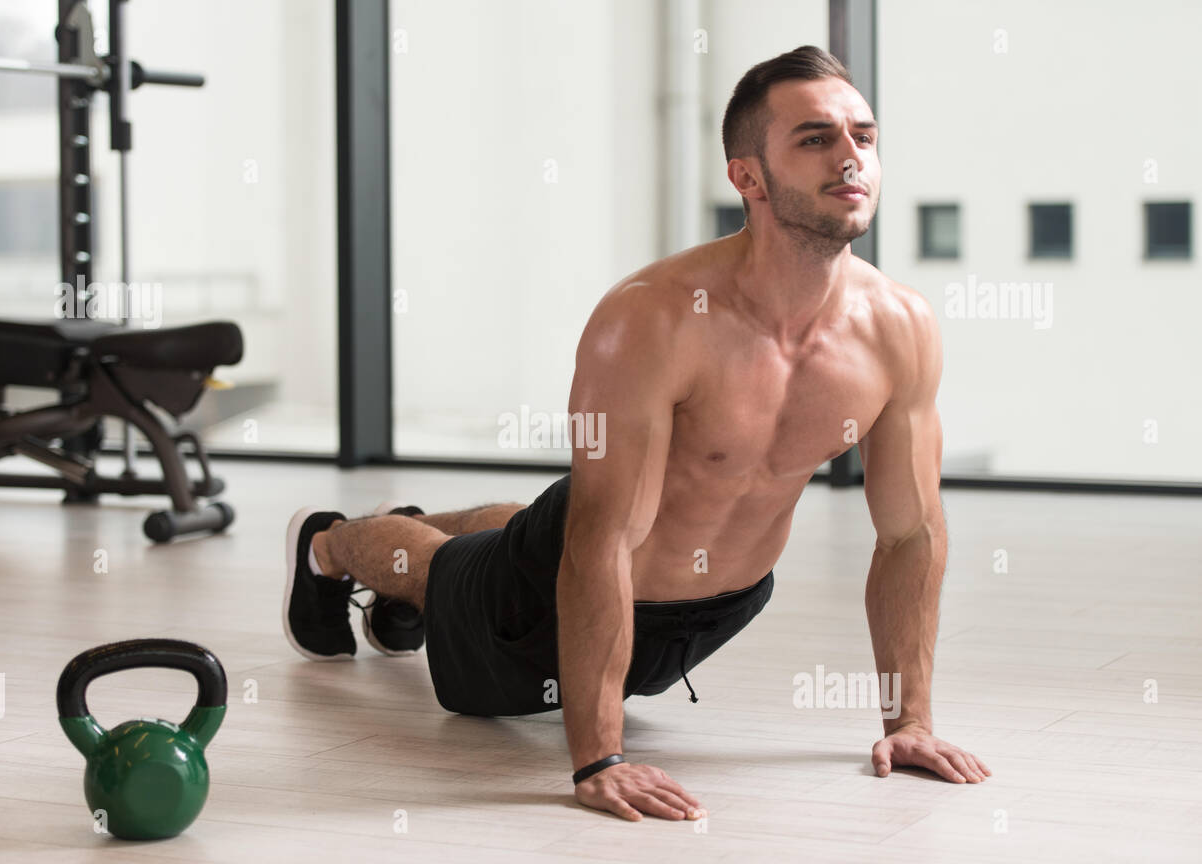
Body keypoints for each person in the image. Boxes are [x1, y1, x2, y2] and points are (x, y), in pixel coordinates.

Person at [282, 45, 990, 823]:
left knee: (530, 527)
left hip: (719, 606)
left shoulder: (900, 328)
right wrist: (599, 757)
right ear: (748, 176)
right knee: (442, 569)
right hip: (564, 583)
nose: (852, 157)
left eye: (864, 134)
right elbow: (602, 540)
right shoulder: (652, 317)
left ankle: (465, 540)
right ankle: (326, 543)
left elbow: (910, 534)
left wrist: (910, 720)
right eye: (816, 138)